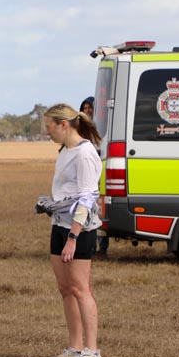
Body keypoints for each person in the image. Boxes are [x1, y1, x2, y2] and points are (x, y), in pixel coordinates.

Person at [41, 103, 105, 357]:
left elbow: (88, 197)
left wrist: (73, 237)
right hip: (60, 224)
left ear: (63, 125)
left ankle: (92, 354)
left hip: (79, 230)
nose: (47, 133)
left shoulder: (85, 153)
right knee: (65, 289)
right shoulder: (65, 150)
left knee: (80, 289)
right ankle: (75, 349)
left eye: (49, 127)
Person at [78, 96, 109, 258]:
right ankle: (89, 245)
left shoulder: (101, 127)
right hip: (85, 173)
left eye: (90, 107)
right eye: (85, 108)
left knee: (99, 208)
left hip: (98, 171)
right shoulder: (78, 130)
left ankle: (102, 246)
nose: (88, 110)